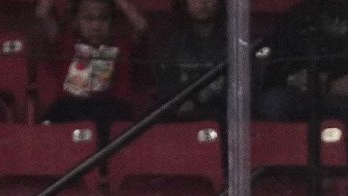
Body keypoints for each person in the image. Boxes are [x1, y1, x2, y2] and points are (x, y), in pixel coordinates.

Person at [35, 0, 150, 133]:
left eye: (103, 18)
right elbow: (42, 13)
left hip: (110, 116)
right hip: (71, 114)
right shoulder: (65, 44)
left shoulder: (122, 47)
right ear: (76, 21)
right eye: (89, 18)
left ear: (111, 22)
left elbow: (141, 26)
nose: (96, 26)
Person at [256, 0, 348, 124]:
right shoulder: (297, 15)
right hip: (304, 96)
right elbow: (275, 65)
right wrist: (292, 78)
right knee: (273, 103)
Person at [147, 0, 228, 123]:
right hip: (178, 119)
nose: (203, 2)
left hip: (222, 117)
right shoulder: (169, 42)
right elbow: (165, 85)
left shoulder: (234, 41)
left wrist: (199, 103)